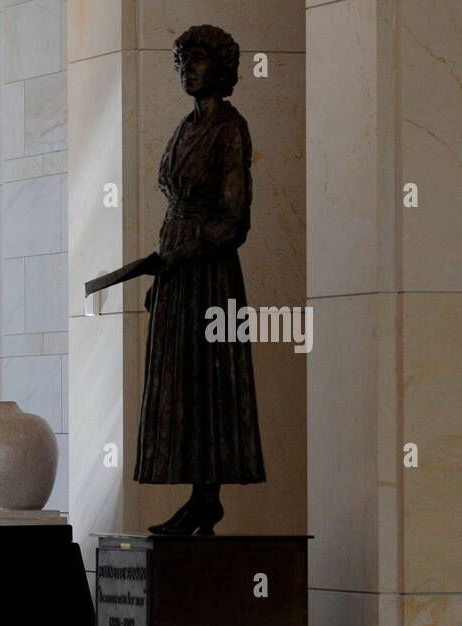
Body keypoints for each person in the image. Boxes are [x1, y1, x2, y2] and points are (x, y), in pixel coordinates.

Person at [137, 25, 265, 534]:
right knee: (180, 382)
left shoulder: (230, 128)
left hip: (209, 275)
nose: (186, 68)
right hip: (178, 274)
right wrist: (162, 274)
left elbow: (236, 218)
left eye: (195, 59)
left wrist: (185, 250)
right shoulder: (185, 127)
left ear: (222, 67)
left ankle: (207, 496)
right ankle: (197, 496)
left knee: (209, 380)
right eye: (180, 61)